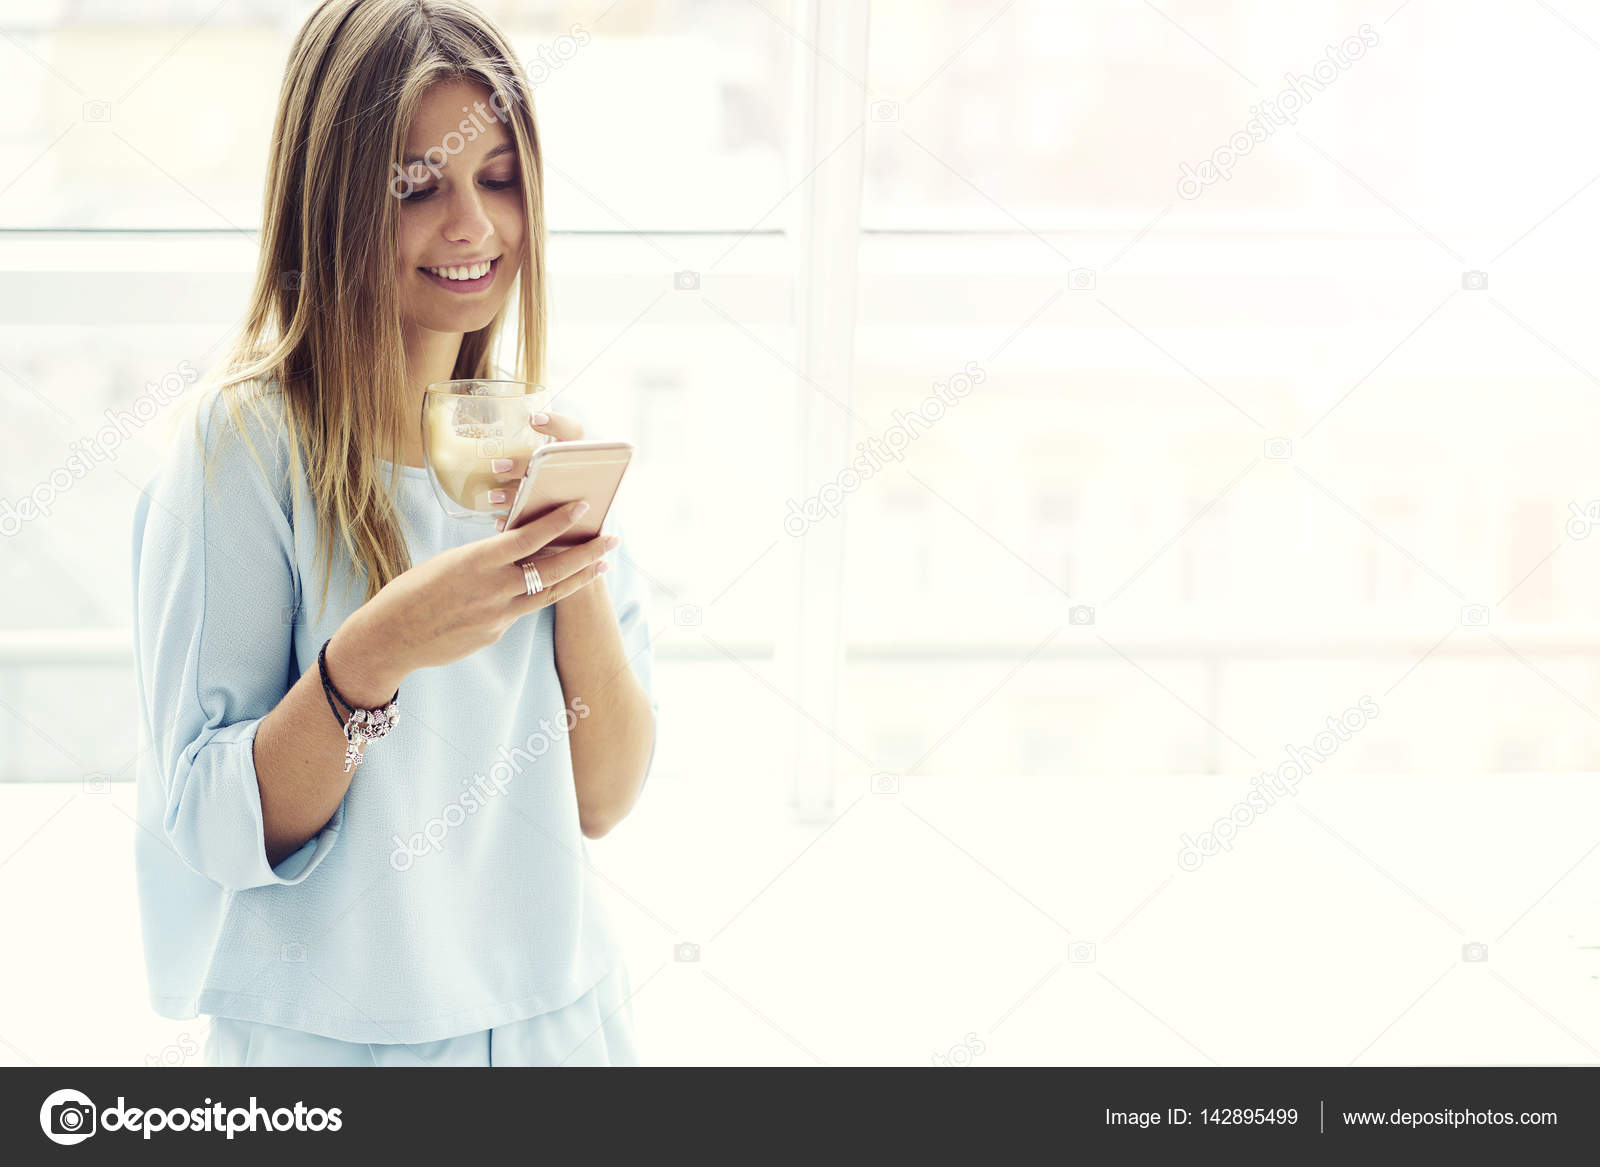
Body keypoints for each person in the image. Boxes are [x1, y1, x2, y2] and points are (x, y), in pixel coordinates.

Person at [129, 0, 658, 1067]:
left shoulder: (533, 442)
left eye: (498, 178)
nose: (472, 225)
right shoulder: (239, 452)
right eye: (417, 188)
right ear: (326, 204)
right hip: (331, 1045)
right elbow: (214, 824)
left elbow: (601, 800)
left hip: (557, 1020)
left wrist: (577, 574)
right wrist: (373, 656)